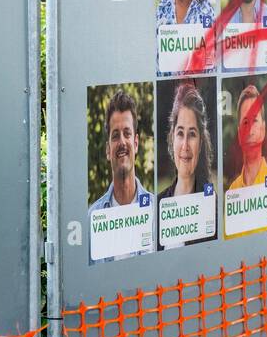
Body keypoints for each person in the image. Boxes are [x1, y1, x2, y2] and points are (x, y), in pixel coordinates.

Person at [88, 90, 154, 260]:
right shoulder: (91, 219)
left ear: (136, 143)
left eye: (127, 133)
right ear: (108, 150)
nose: (122, 142)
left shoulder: (157, 211)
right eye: (115, 136)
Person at [157, 81, 216, 249]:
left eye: (192, 134)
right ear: (172, 138)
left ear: (201, 142)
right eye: (180, 133)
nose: (185, 146)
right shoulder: (158, 204)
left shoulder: (212, 206)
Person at [227, 83, 267, 189]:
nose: (250, 131)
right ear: (239, 133)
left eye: (255, 120)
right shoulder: (233, 190)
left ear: (263, 128)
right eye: (245, 122)